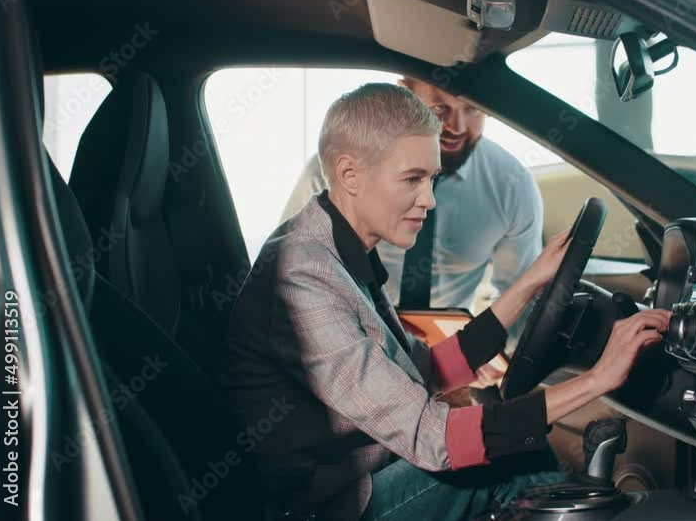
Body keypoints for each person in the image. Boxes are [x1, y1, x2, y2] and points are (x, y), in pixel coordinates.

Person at [224, 83, 670, 521]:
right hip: (325, 505)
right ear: (349, 174)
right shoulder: (305, 275)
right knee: (514, 462)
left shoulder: (338, 245)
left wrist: (530, 282)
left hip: (363, 474)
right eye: (412, 179)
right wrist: (597, 380)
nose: (430, 199)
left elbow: (424, 372)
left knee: (520, 448)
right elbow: (433, 438)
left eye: (432, 178)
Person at [281, 77, 544, 352]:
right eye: (440, 109)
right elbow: (293, 274)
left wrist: (489, 351)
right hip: (353, 335)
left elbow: (522, 297)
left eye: (472, 109)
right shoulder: (336, 173)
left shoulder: (512, 184)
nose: (457, 127)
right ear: (405, 96)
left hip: (457, 345)